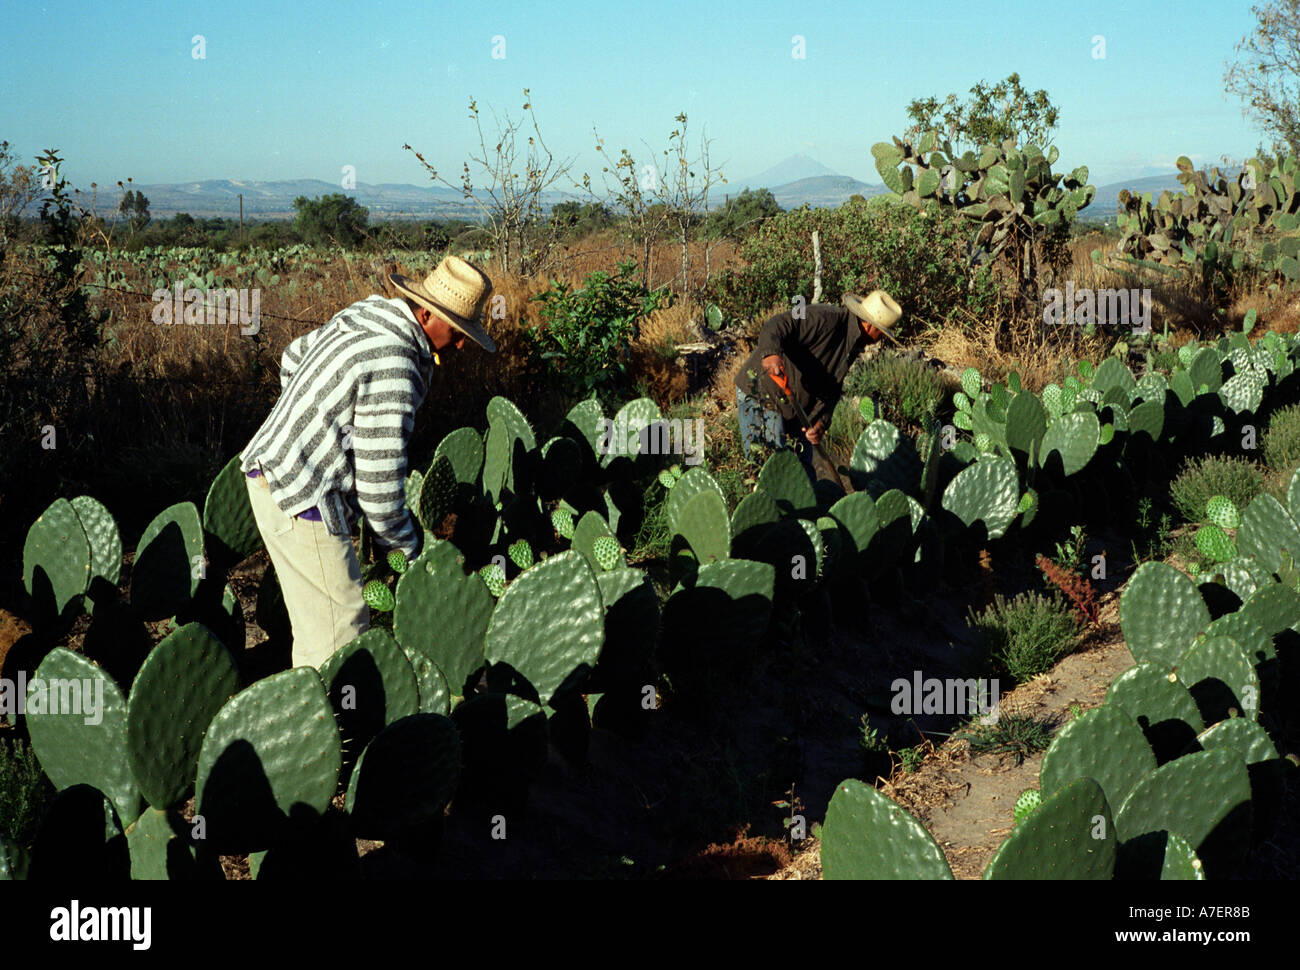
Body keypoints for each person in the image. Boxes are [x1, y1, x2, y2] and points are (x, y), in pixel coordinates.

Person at [241, 255, 495, 669]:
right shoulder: (396, 360)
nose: (463, 343)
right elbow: (379, 488)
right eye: (458, 330)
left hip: (268, 470)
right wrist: (410, 553)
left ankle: (311, 722)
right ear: (427, 313)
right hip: (305, 497)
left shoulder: (370, 311)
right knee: (341, 641)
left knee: (316, 628)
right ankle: (327, 731)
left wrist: (311, 427)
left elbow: (292, 358)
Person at [734, 290, 903, 478]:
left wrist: (821, 421)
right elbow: (778, 323)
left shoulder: (853, 343)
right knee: (769, 470)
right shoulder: (825, 318)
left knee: (803, 476)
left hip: (797, 409)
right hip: (765, 393)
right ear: (871, 326)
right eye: (882, 333)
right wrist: (771, 353)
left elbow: (832, 387)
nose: (882, 338)